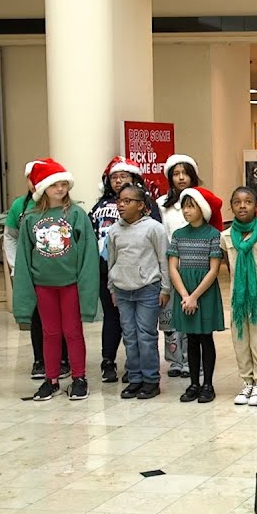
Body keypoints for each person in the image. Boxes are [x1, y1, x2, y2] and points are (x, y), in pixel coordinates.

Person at [12, 158, 98, 402]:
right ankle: (51, 380)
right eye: (54, 185)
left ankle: (79, 377)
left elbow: (87, 253)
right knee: (50, 333)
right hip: (43, 285)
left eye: (63, 184)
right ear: (43, 189)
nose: (60, 189)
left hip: (70, 284)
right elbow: (24, 258)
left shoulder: (76, 215)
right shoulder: (29, 218)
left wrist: (86, 287)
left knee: (72, 331)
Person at [88, 156, 161, 384]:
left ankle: (148, 378)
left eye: (123, 176)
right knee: (122, 327)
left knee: (144, 332)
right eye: (114, 177)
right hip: (115, 279)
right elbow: (106, 250)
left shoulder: (151, 218)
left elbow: (159, 251)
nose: (118, 181)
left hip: (146, 282)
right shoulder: (104, 213)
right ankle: (122, 368)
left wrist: (164, 286)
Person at [4, 160, 69, 380]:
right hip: (30, 271)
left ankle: (64, 360)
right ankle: (40, 360)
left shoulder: (67, 208)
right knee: (36, 317)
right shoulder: (20, 207)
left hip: (58, 272)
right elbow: (11, 237)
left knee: (62, 318)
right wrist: (17, 267)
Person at [106, 184, 170, 400]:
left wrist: (165, 288)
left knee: (146, 336)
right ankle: (134, 379)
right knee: (130, 336)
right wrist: (112, 287)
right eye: (119, 201)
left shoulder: (154, 228)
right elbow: (111, 261)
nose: (121, 205)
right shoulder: (114, 230)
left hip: (148, 290)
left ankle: (151, 380)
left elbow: (164, 259)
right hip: (123, 290)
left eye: (127, 201)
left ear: (141, 205)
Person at [167, 186, 225, 404]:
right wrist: (184, 294)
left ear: (202, 208)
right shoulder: (178, 235)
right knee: (190, 339)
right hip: (185, 291)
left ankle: (208, 384)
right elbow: (173, 266)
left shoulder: (213, 235)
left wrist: (194, 296)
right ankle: (193, 383)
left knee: (205, 338)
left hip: (204, 292)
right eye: (184, 207)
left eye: (191, 206)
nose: (187, 211)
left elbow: (213, 269)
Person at [221, 187, 257, 406]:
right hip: (238, 293)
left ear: (256, 206)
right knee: (240, 337)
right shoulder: (225, 237)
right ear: (231, 206)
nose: (242, 206)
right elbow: (228, 264)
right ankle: (247, 382)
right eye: (237, 202)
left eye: (247, 202)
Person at [157, 155, 202, 381]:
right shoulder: (161, 205)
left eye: (185, 173)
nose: (181, 178)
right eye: (176, 174)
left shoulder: (201, 200)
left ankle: (192, 360)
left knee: (192, 314)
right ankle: (175, 360)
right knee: (170, 316)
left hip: (195, 266)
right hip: (170, 266)